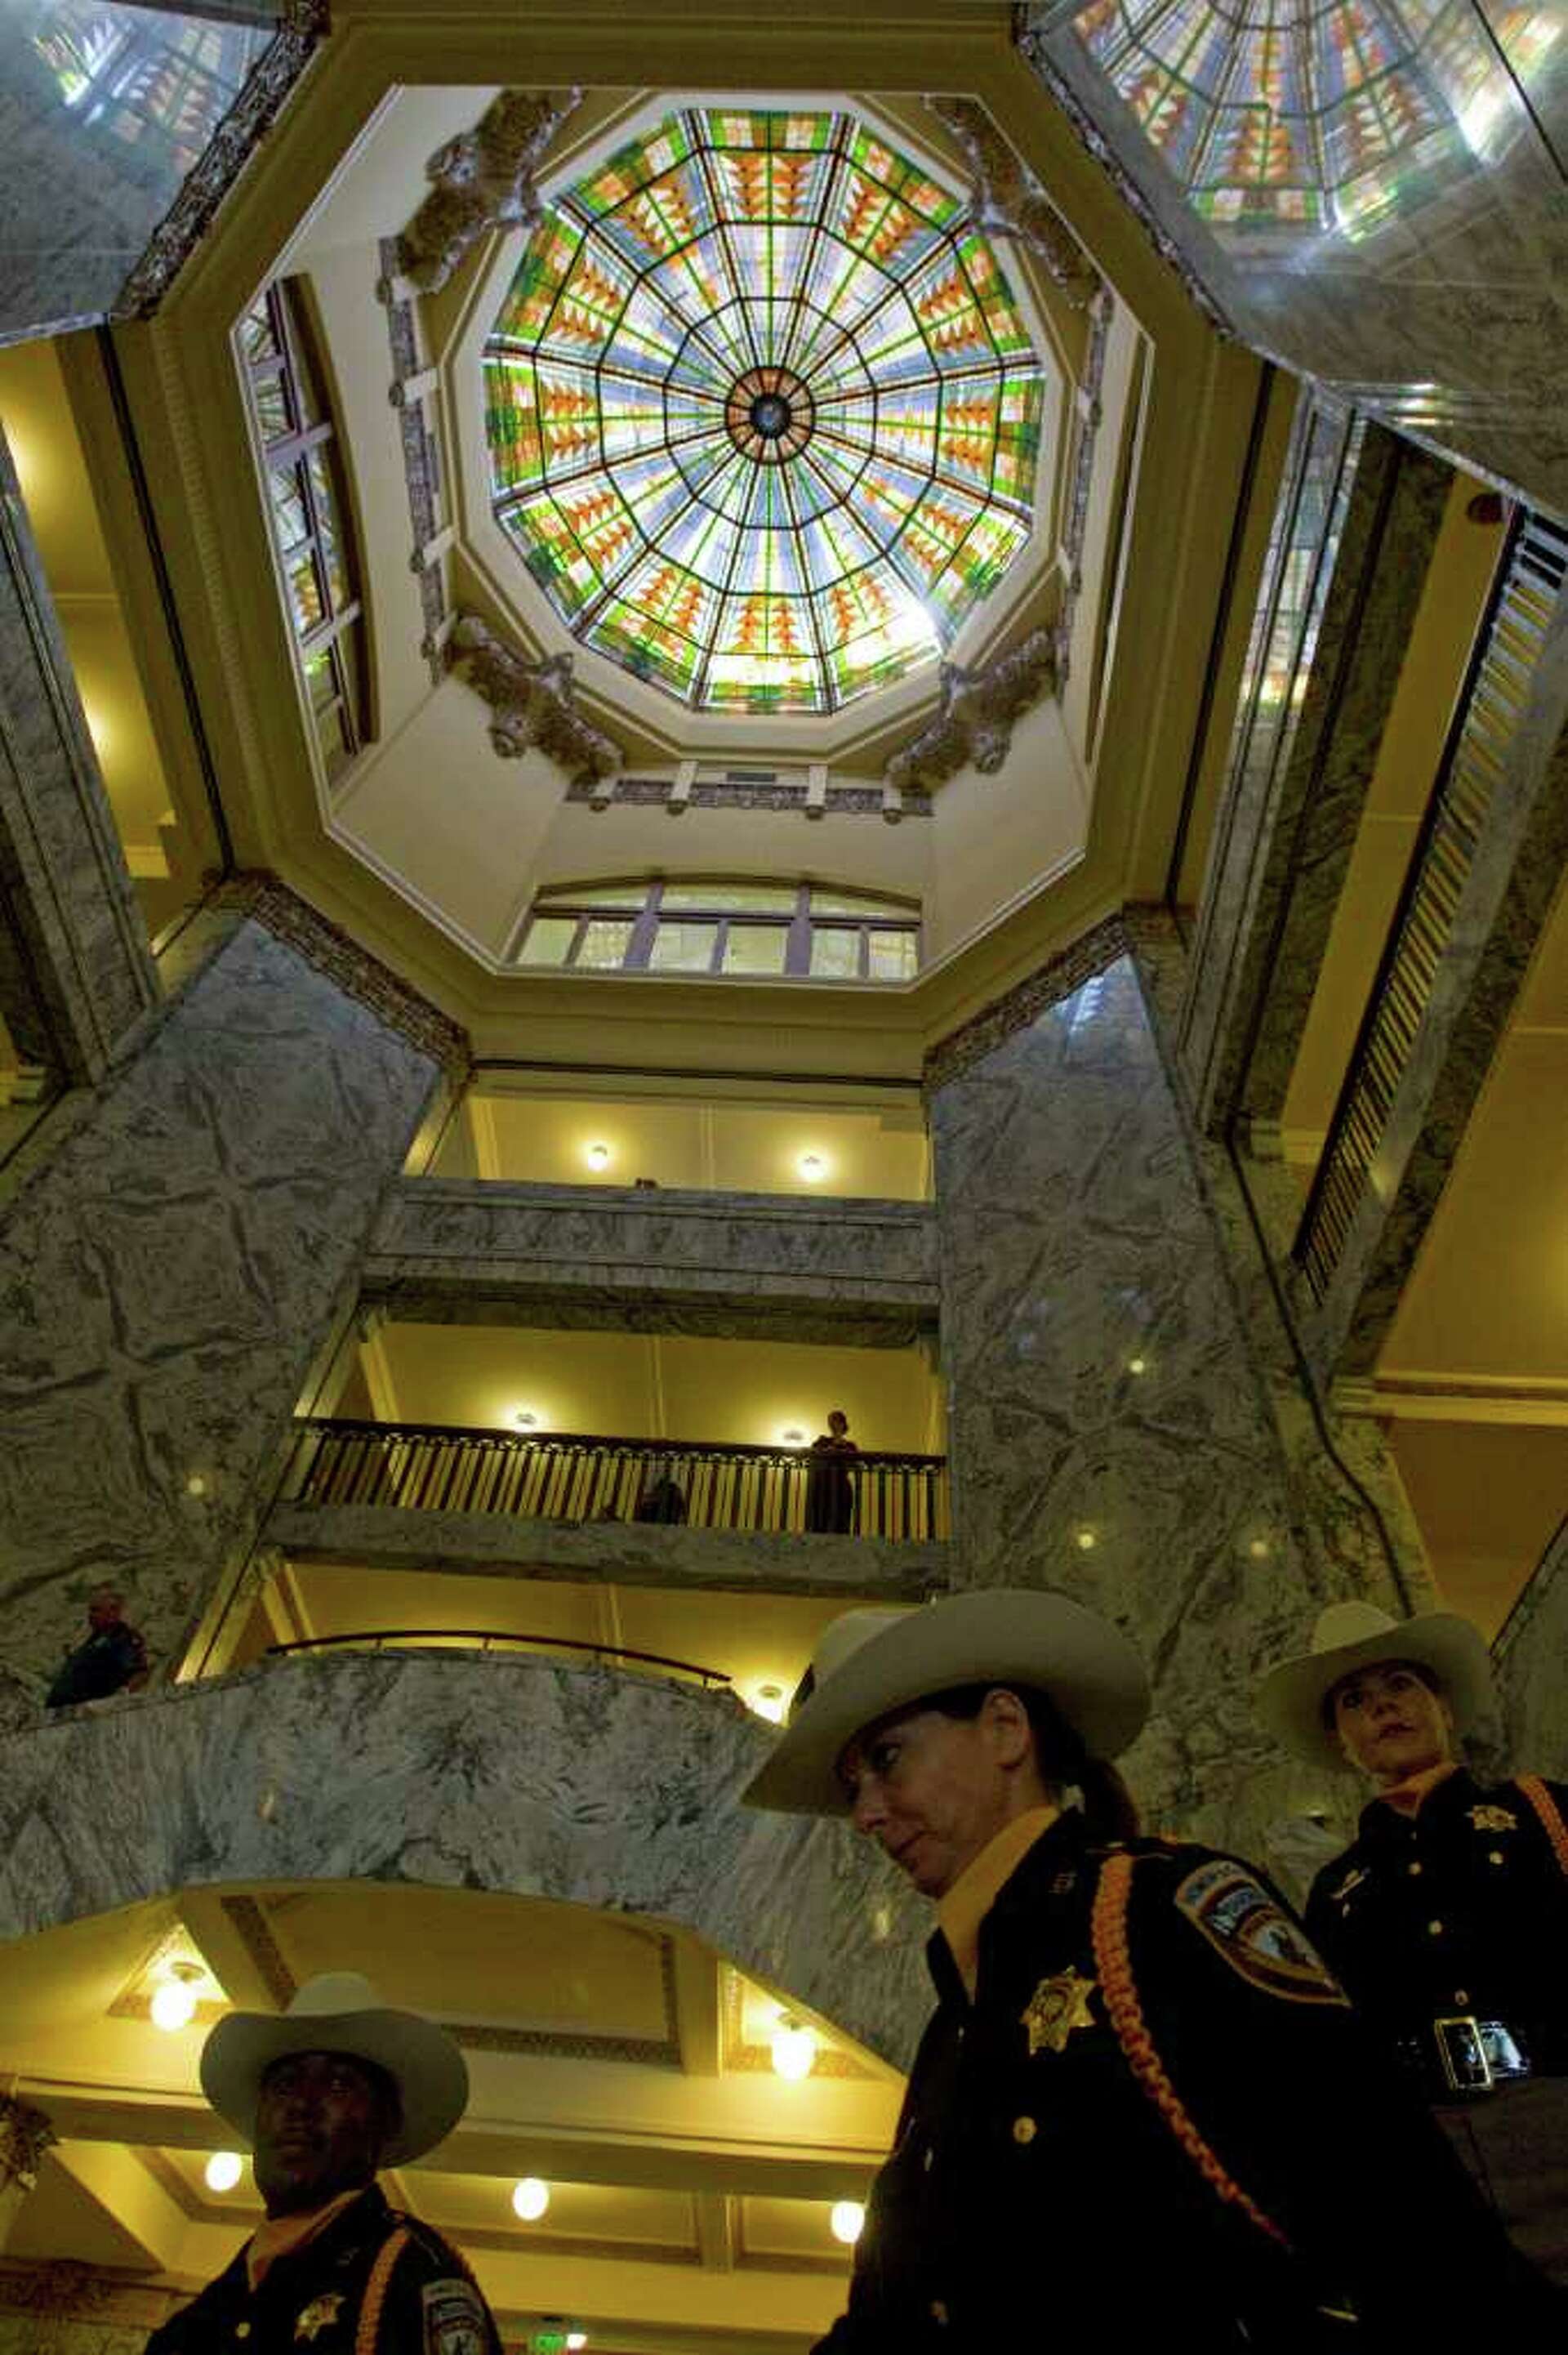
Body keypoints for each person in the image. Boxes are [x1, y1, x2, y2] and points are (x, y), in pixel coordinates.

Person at [744, 1588, 1563, 2348]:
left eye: (887, 1759)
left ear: (1005, 1730)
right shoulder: (953, 2022)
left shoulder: (1153, 1909)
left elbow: (1391, 2208)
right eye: (853, 1787)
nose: (865, 1815)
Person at [1258, 1598, 1568, 2282]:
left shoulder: (1542, 1811)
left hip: (1555, 2105)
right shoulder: (1337, 1885)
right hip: (1427, 2148)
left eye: (1402, 1684)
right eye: (1354, 1700)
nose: (1382, 1707)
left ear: (1444, 1707)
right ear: (1343, 1741)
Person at [146, 1971, 502, 2354]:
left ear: (384, 2124)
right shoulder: (200, 2320)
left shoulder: (414, 2272)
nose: (301, 2105)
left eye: (338, 2085)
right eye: (284, 2085)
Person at [44, 1586, 148, 1708]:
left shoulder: (122, 1638)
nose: (90, 1615)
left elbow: (139, 1672)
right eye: (90, 1610)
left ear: (113, 1612)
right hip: (64, 1711)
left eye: (95, 1610)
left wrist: (116, 1699)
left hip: (89, 1713)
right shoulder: (94, 1639)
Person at [804, 1409, 857, 1534]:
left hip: (841, 1485)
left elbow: (852, 1463)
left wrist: (838, 1447)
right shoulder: (822, 1441)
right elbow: (814, 1454)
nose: (833, 1424)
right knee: (821, 1515)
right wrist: (831, 1447)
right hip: (823, 1484)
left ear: (843, 1424)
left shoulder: (850, 1446)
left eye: (836, 1421)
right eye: (831, 1421)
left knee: (841, 1515)